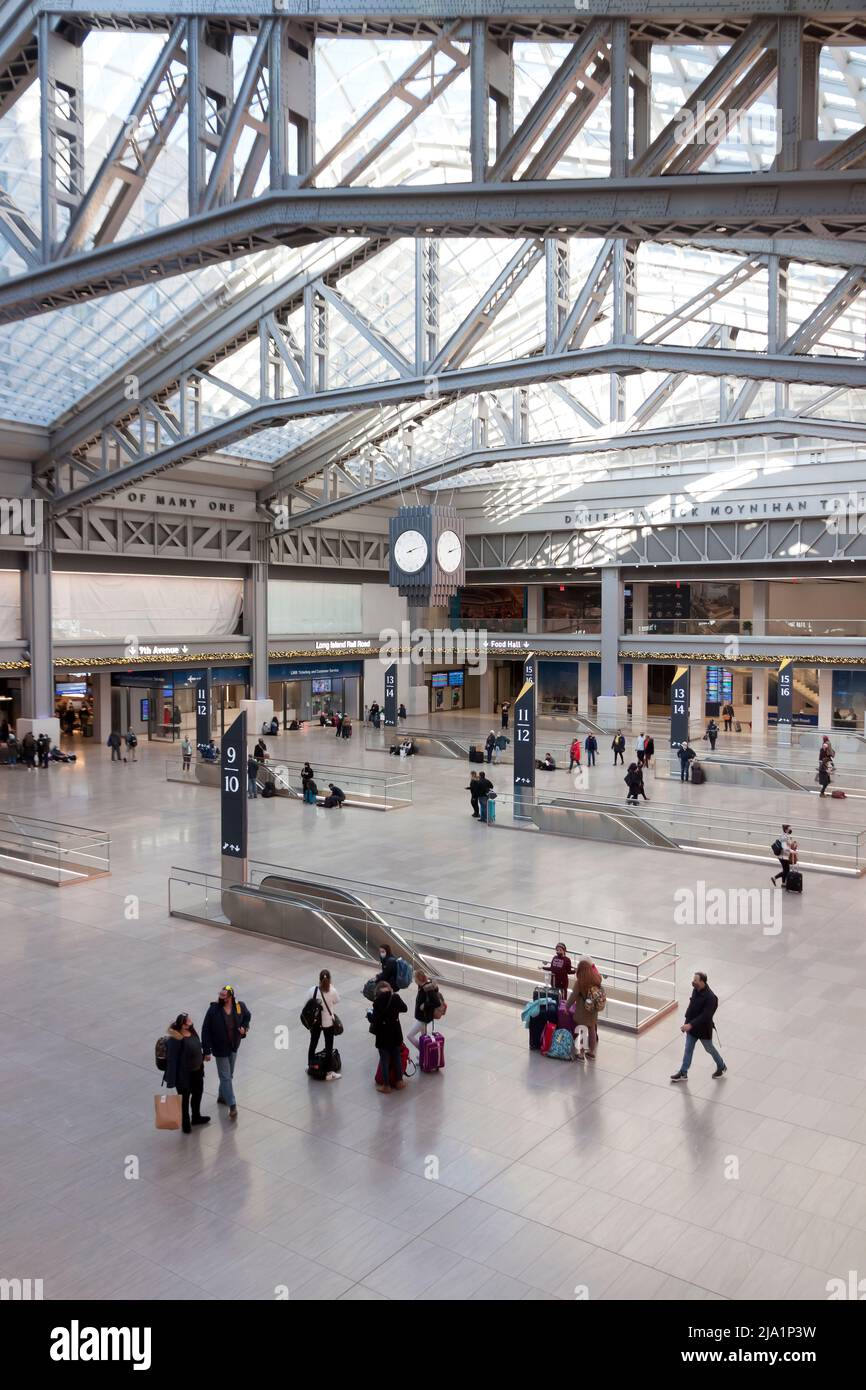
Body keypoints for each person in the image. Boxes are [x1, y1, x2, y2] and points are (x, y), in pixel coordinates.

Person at [201, 985, 251, 1121]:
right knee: (225, 1077)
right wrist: (206, 1050)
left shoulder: (239, 1006)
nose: (221, 998)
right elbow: (205, 1030)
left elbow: (247, 1016)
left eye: (224, 996)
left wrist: (244, 1028)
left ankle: (222, 1096)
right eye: (220, 995)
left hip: (234, 1046)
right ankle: (232, 1105)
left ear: (230, 997)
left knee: (229, 1075)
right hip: (220, 1049)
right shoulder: (213, 1010)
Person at [670, 972, 726, 1081]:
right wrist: (686, 1023)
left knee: (709, 1049)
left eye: (695, 980)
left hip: (703, 1030)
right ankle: (683, 1072)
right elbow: (691, 1008)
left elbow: (706, 1016)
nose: (693, 982)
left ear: (702, 982)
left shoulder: (711, 997)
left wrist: (690, 1025)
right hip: (691, 1029)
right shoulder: (695, 990)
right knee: (688, 1049)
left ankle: (721, 1066)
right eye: (693, 979)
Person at [164, 1012, 210, 1134]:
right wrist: (171, 1080)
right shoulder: (176, 1039)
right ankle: (185, 1122)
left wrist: (202, 1056)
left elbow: (196, 1046)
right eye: (188, 1020)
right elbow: (172, 1060)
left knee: (198, 1093)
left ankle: (196, 1117)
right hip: (184, 1075)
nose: (191, 1021)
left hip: (198, 1071)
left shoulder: (192, 1032)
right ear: (183, 1025)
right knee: (184, 1099)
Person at [370, 981, 408, 1093]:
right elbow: (404, 1008)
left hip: (383, 1036)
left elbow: (375, 1020)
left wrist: (369, 1015)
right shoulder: (395, 998)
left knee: (384, 1060)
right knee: (397, 1057)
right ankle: (399, 1081)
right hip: (396, 1034)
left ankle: (386, 1086)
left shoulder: (377, 1002)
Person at [306, 969, 341, 1080]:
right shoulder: (332, 991)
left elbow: (307, 1002)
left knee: (313, 1043)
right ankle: (329, 1072)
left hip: (316, 1023)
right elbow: (337, 1001)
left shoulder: (313, 990)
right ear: (329, 979)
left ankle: (310, 1066)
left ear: (319, 979)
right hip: (328, 1022)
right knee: (328, 1045)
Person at [568, 959, 605, 1060]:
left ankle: (581, 1054)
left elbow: (573, 996)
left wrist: (567, 1007)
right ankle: (592, 1053)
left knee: (583, 1031)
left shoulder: (580, 982)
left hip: (583, 1010)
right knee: (592, 1030)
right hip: (593, 1010)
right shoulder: (597, 978)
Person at [406, 969, 442, 1054]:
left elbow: (437, 1003)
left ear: (418, 979)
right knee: (423, 1038)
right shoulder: (421, 986)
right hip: (423, 1017)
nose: (414, 980)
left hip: (423, 1018)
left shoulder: (427, 988)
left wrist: (425, 1005)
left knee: (410, 1036)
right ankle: (424, 1057)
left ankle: (424, 1053)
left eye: (415, 978)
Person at [771, 823, 796, 887]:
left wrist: (793, 845)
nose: (791, 829)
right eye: (789, 828)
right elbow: (784, 847)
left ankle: (783, 883)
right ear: (786, 829)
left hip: (785, 856)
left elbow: (788, 844)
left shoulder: (787, 835)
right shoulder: (784, 836)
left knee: (785, 870)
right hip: (783, 856)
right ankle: (775, 877)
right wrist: (791, 851)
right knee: (786, 871)